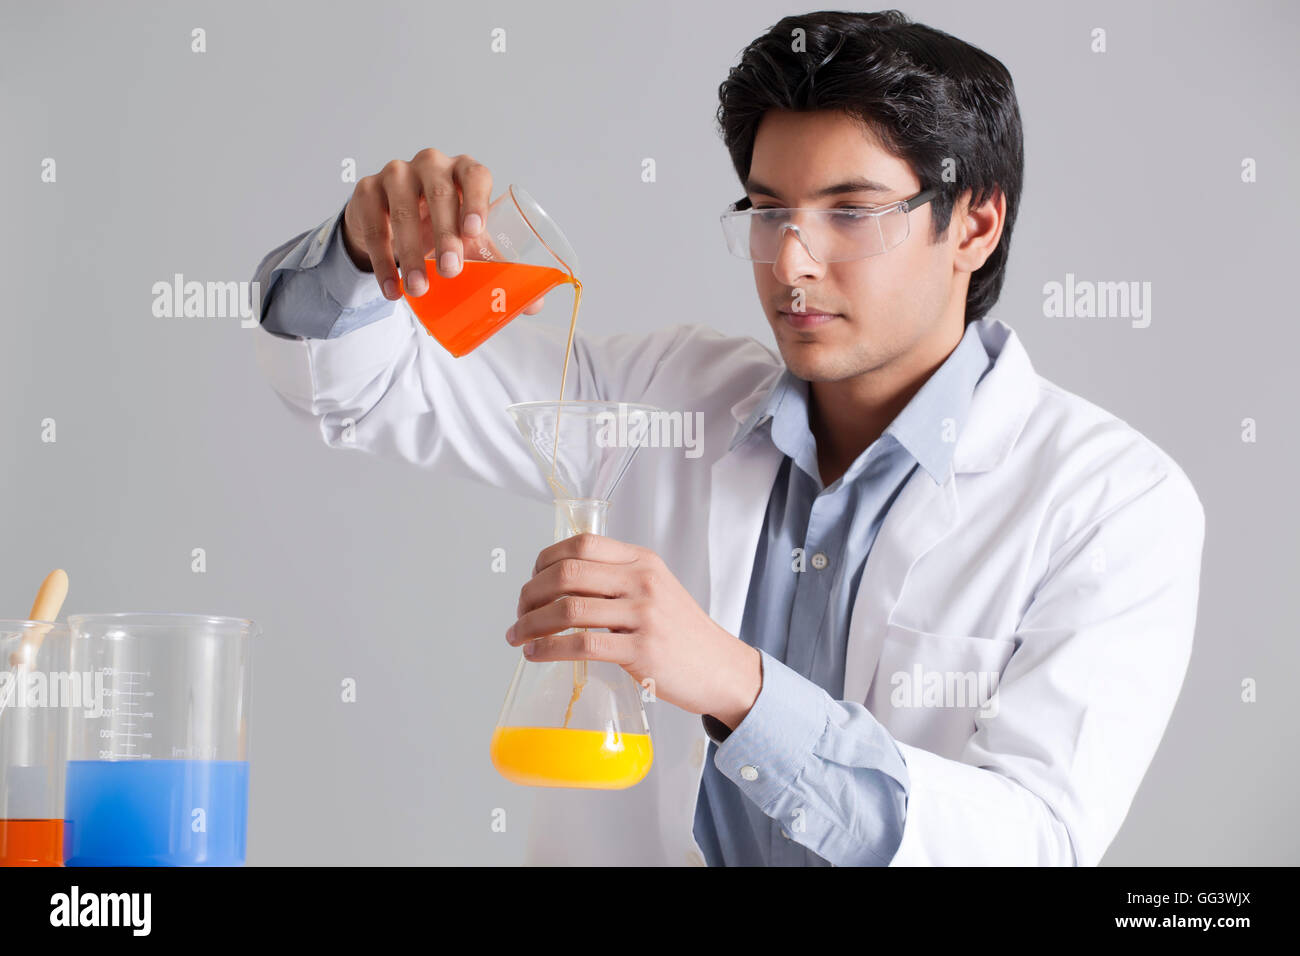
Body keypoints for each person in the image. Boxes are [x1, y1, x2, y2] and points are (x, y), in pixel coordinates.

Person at [249, 10, 1205, 865]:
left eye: (851, 212)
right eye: (768, 209)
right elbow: (361, 383)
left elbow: (1035, 841)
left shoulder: (1113, 503)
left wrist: (737, 685)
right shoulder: (659, 399)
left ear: (975, 223)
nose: (791, 260)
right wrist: (363, 249)